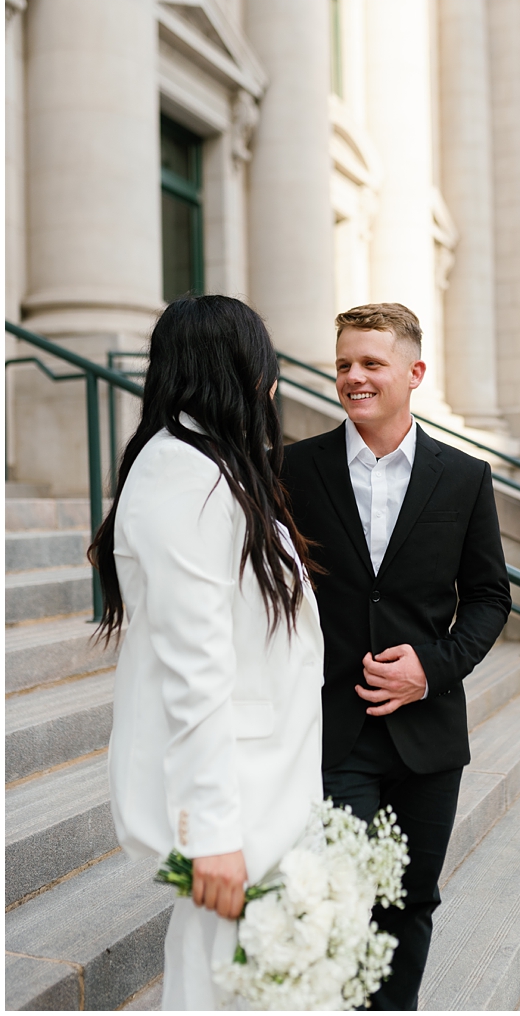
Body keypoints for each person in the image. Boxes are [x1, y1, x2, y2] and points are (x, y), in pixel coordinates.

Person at [280, 302, 511, 1010]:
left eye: (371, 363)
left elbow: (488, 595)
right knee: (338, 904)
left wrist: (432, 668)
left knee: (409, 903)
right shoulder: (288, 468)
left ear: (413, 373)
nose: (353, 376)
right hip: (332, 729)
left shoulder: (464, 477)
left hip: (428, 734)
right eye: (344, 362)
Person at [99, 296, 326, 1010]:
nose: (275, 387)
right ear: (234, 372)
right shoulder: (180, 475)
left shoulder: (214, 467)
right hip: (236, 812)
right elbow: (192, 668)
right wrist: (212, 834)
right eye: (267, 368)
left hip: (269, 794)